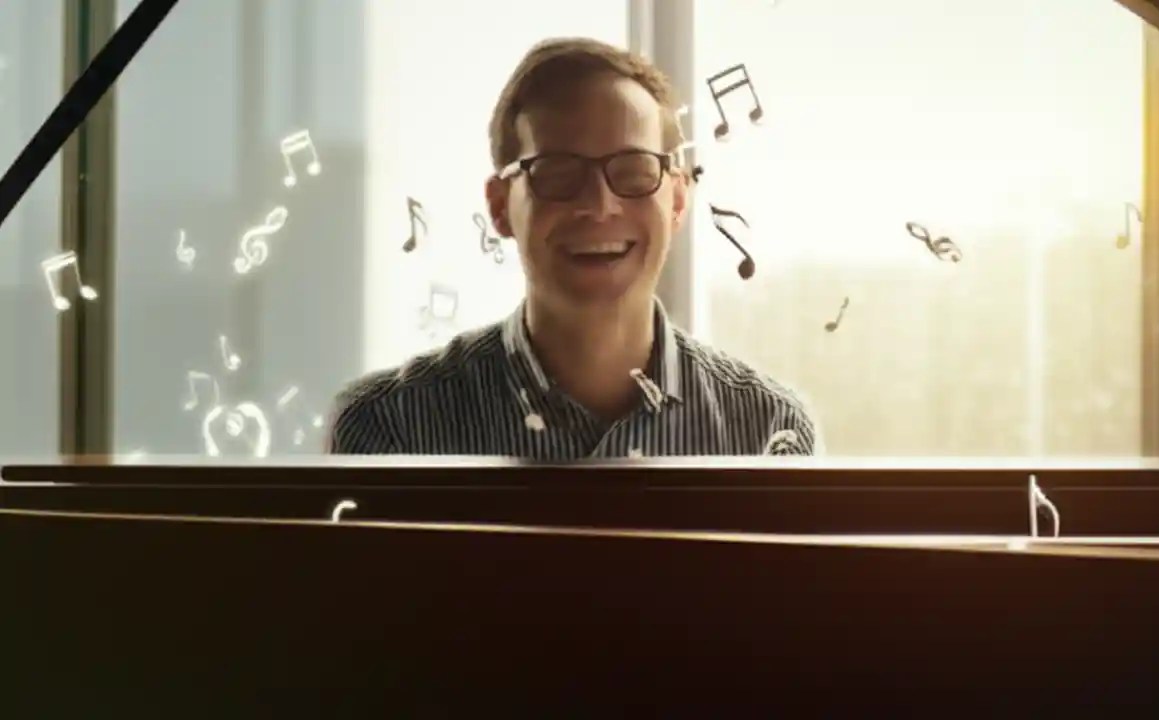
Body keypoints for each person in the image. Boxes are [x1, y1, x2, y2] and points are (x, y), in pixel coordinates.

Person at [327, 37, 819, 457]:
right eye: (557, 172)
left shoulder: (770, 429)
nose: (599, 205)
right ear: (500, 206)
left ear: (676, 199)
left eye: (633, 171)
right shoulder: (387, 429)